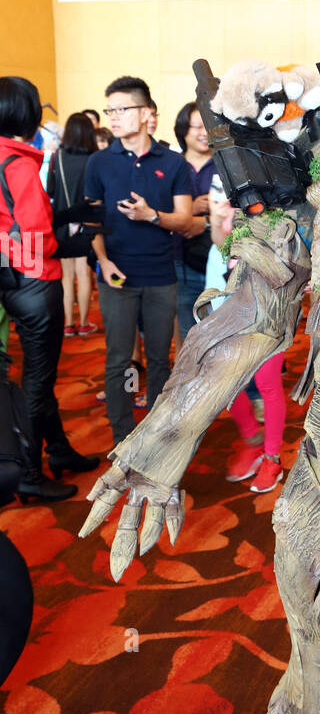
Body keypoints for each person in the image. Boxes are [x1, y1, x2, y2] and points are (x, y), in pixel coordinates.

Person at [0, 75, 98, 499]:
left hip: (11, 278)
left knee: (40, 375)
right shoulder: (19, 164)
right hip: (36, 283)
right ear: (27, 112)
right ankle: (27, 473)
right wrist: (77, 241)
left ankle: (58, 452)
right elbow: (37, 236)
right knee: (39, 383)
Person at [86, 76, 193, 447]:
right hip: (116, 277)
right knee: (120, 362)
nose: (113, 117)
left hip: (161, 275)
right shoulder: (98, 163)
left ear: (146, 113)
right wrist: (103, 261)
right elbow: (91, 222)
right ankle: (123, 438)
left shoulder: (173, 163)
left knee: (160, 359)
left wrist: (151, 216)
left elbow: (184, 219)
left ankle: (157, 436)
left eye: (121, 109)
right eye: (109, 110)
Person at [207, 186, 286, 493]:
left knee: (267, 385)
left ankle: (272, 457)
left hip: (268, 320)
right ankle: (252, 440)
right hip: (227, 321)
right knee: (226, 385)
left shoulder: (275, 224)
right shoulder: (222, 242)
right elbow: (220, 257)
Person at [47, 112, 98, 336]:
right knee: (84, 274)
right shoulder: (95, 159)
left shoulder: (57, 157)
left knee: (67, 276)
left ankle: (68, 324)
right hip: (86, 222)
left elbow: (50, 190)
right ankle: (84, 323)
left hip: (62, 223)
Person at [173, 103, 215, 341]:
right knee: (187, 333)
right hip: (180, 259)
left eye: (207, 126)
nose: (204, 132)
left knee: (220, 332)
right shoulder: (172, 165)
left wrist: (208, 217)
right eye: (197, 126)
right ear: (182, 131)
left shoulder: (225, 164)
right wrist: (190, 208)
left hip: (220, 259)